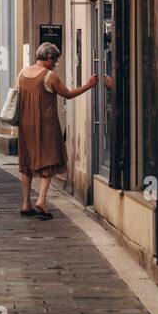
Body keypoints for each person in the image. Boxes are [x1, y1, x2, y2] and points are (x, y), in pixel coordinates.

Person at [17, 42, 96, 218]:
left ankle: (25, 203)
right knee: (49, 160)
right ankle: (42, 200)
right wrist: (89, 85)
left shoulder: (22, 73)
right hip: (45, 125)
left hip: (25, 125)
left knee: (26, 164)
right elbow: (67, 94)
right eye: (55, 60)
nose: (55, 64)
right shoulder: (48, 76)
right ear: (49, 58)